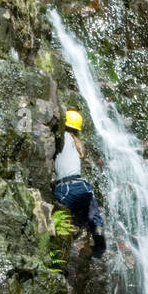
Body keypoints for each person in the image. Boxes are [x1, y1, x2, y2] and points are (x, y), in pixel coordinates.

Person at [52, 109, 106, 259]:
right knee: (92, 212)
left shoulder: (61, 137)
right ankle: (100, 243)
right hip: (82, 186)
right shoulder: (77, 144)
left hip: (66, 188)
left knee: (62, 219)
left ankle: (59, 254)